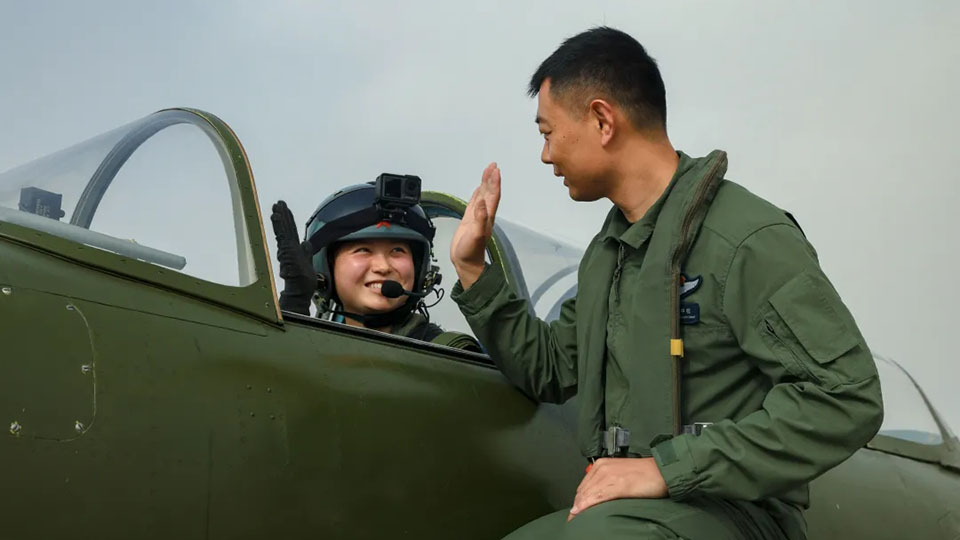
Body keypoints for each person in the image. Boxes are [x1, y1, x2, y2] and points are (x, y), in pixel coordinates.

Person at [449, 27, 883, 539]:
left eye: (548, 133)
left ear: (602, 119)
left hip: (737, 511)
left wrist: (667, 468)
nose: (546, 155)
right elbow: (549, 368)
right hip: (637, 513)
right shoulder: (609, 255)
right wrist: (475, 269)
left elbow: (846, 396)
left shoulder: (744, 238)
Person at [272, 178, 480, 351]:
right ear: (326, 267)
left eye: (397, 251)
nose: (382, 267)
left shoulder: (452, 355)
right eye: (363, 250)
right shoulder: (318, 347)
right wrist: (294, 306)